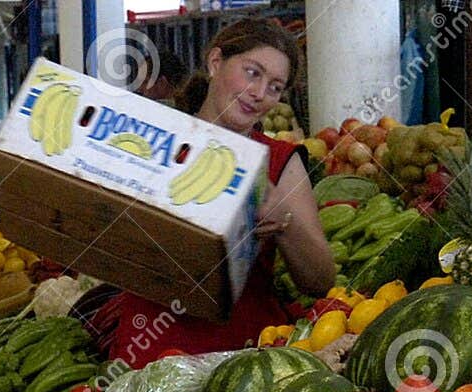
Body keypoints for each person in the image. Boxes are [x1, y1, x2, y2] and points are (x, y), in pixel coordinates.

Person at [104, 17, 335, 368]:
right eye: (252, 72)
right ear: (215, 62)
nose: (259, 94)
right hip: (150, 348)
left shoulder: (278, 162)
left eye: (275, 87)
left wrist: (285, 224)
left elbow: (320, 280)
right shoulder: (153, 138)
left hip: (243, 356)